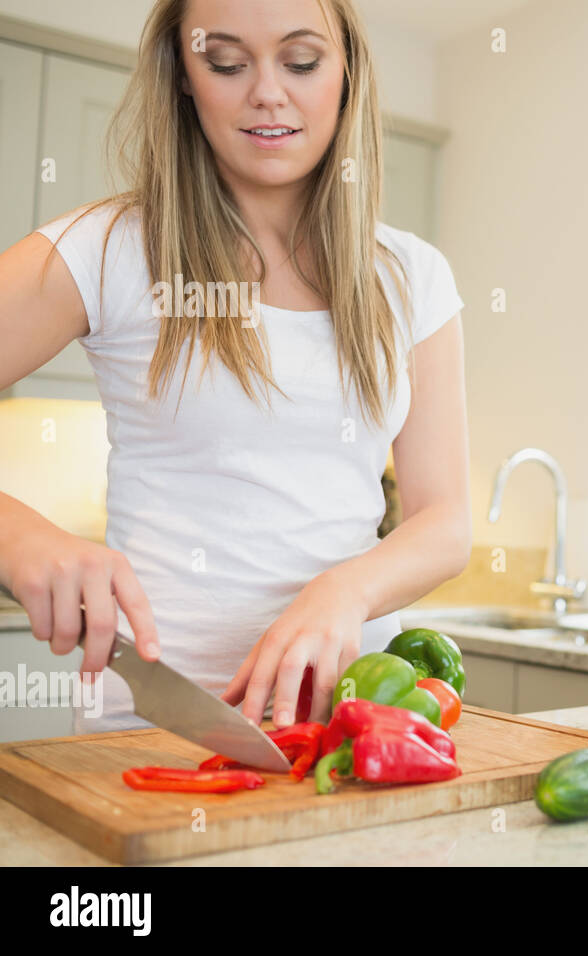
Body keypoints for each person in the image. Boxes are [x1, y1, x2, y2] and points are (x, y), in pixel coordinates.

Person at [0, 0, 471, 733]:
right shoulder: (107, 249)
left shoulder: (411, 275)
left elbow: (445, 521)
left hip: (357, 723)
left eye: (302, 60)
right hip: (157, 728)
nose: (267, 92)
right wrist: (17, 535)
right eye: (225, 62)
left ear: (347, 70)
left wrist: (342, 591)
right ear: (183, 74)